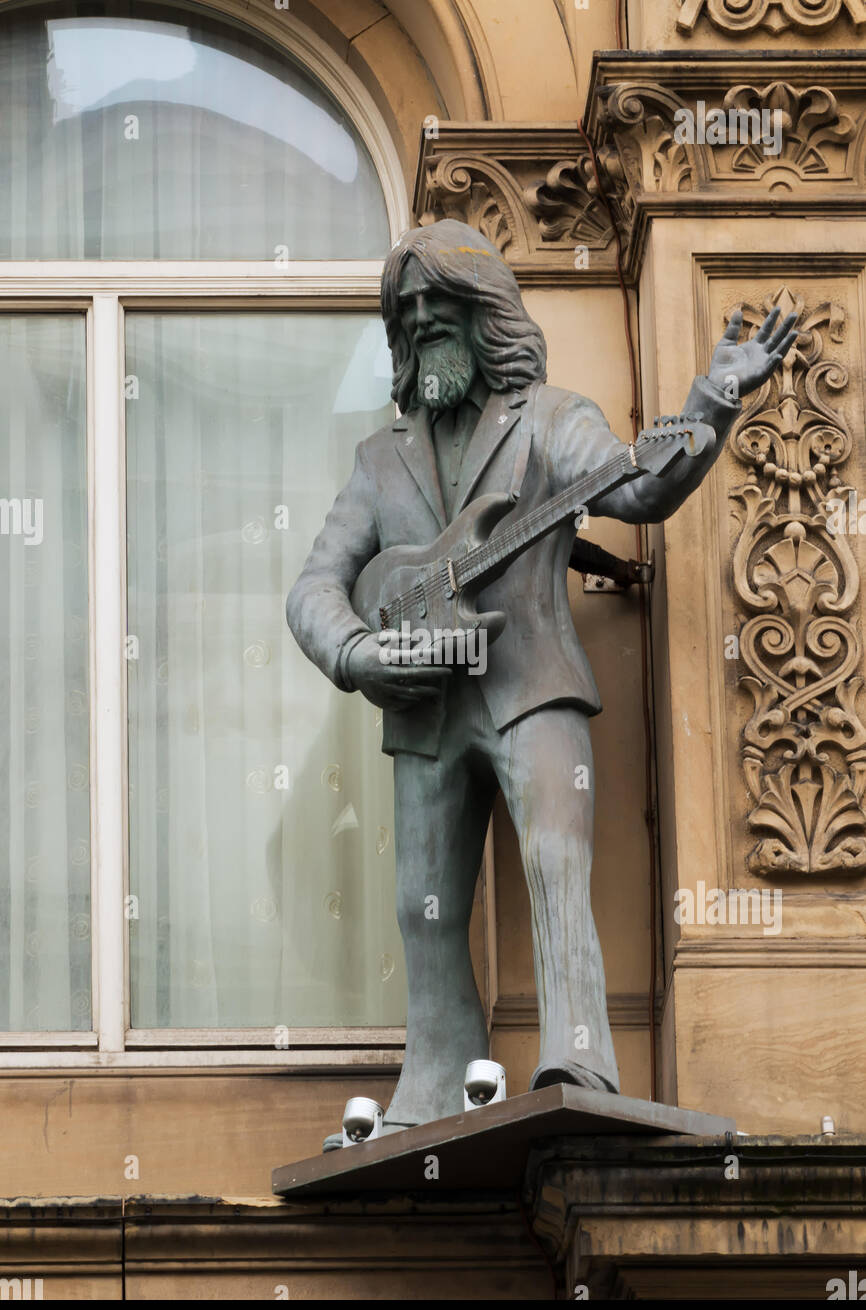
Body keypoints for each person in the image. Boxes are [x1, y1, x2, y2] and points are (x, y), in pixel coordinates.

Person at [286, 219, 796, 1144]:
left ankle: (577, 1056)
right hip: (426, 701)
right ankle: (435, 1088)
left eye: (440, 312)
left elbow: (636, 491)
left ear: (486, 319)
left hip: (531, 685)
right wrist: (363, 655)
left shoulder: (552, 421)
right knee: (421, 903)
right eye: (409, 319)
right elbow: (315, 587)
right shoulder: (377, 461)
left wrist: (712, 401)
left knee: (558, 861)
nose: (422, 326)